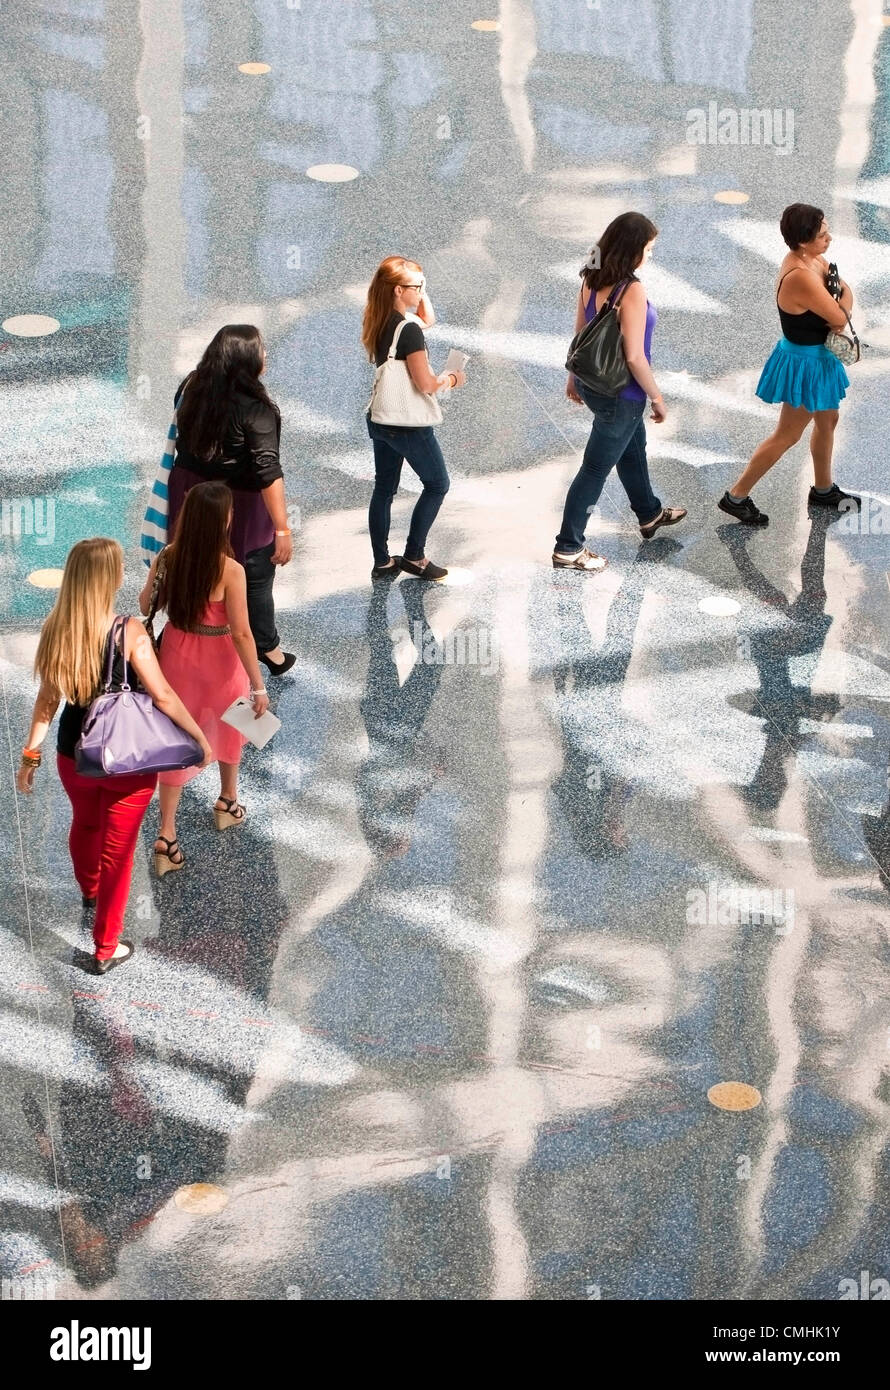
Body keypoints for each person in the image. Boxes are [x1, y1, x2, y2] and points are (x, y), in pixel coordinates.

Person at [15, 538, 210, 974]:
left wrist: (30, 757)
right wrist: (198, 737)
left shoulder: (56, 628)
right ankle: (106, 947)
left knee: (84, 823)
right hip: (128, 757)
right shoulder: (130, 631)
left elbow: (47, 702)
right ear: (112, 578)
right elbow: (161, 696)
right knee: (119, 853)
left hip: (73, 754)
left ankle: (89, 889)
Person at [139, 481, 270, 877]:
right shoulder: (230, 569)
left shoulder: (169, 556)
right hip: (222, 661)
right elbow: (243, 633)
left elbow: (147, 605)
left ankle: (166, 836)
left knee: (178, 741)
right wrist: (258, 684)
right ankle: (227, 802)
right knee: (233, 725)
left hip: (177, 659)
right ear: (222, 521)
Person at [554, 211, 686, 571]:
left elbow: (580, 333)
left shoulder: (589, 278)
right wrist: (657, 398)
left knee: (632, 448)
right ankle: (568, 547)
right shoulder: (632, 289)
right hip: (622, 392)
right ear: (632, 250)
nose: (651, 254)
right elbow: (634, 356)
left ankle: (650, 513)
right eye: (649, 248)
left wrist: (572, 378)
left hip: (592, 381)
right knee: (595, 468)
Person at [719, 204, 859, 525]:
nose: (829, 238)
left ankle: (823, 489)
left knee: (828, 420)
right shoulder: (801, 275)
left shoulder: (813, 259)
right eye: (822, 235)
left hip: (816, 357)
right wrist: (844, 302)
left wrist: (842, 301)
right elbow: (839, 316)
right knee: (787, 434)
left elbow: (840, 297)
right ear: (803, 242)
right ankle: (736, 496)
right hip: (805, 365)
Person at [168, 324, 296, 674]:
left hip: (191, 494)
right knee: (254, 575)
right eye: (261, 350)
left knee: (194, 564)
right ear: (246, 360)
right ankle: (267, 648)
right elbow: (267, 470)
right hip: (239, 505)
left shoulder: (191, 386)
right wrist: (282, 529)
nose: (266, 355)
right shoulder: (256, 409)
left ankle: (194, 630)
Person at [362, 256, 467, 583]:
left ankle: (382, 562)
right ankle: (415, 556)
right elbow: (426, 385)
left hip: (381, 418)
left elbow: (428, 318)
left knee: (384, 488)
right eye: (416, 288)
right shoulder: (408, 332)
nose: (422, 293)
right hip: (408, 425)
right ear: (397, 290)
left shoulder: (381, 320)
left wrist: (421, 287)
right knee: (438, 484)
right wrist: (451, 379)